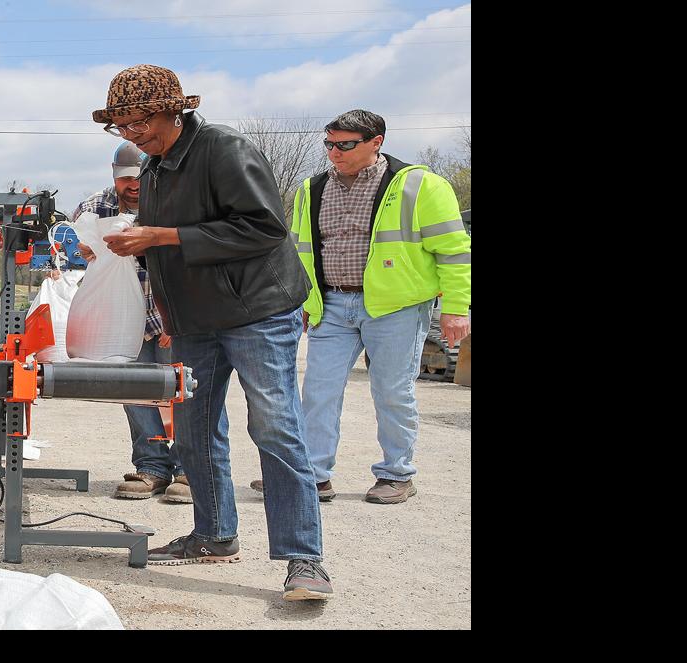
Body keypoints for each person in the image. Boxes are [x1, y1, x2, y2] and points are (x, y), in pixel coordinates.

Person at [93, 64, 331, 601]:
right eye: (121, 125)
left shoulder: (224, 149)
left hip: (256, 312)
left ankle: (304, 560)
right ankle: (214, 535)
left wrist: (163, 235)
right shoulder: (153, 168)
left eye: (138, 122)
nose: (132, 134)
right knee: (194, 431)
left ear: (172, 109)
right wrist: (129, 245)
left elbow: (265, 226)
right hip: (194, 320)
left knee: (275, 426)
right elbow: (166, 243)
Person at [259, 110, 471, 505]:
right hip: (333, 304)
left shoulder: (421, 185)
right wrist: (304, 299)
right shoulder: (311, 188)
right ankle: (313, 475)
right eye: (329, 144)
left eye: (345, 145)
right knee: (318, 390)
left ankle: (397, 474)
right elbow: (302, 250)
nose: (334, 153)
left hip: (397, 307)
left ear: (376, 142)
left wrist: (458, 308)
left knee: (392, 391)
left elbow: (455, 251)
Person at [61, 141, 190, 504]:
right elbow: (77, 250)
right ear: (114, 174)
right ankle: (152, 467)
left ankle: (188, 470)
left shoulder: (173, 202)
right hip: (121, 319)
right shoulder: (93, 206)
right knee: (134, 393)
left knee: (185, 393)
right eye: (125, 179)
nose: (133, 186)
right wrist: (82, 247)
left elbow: (189, 259)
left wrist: (175, 317)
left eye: (140, 178)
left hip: (168, 312)